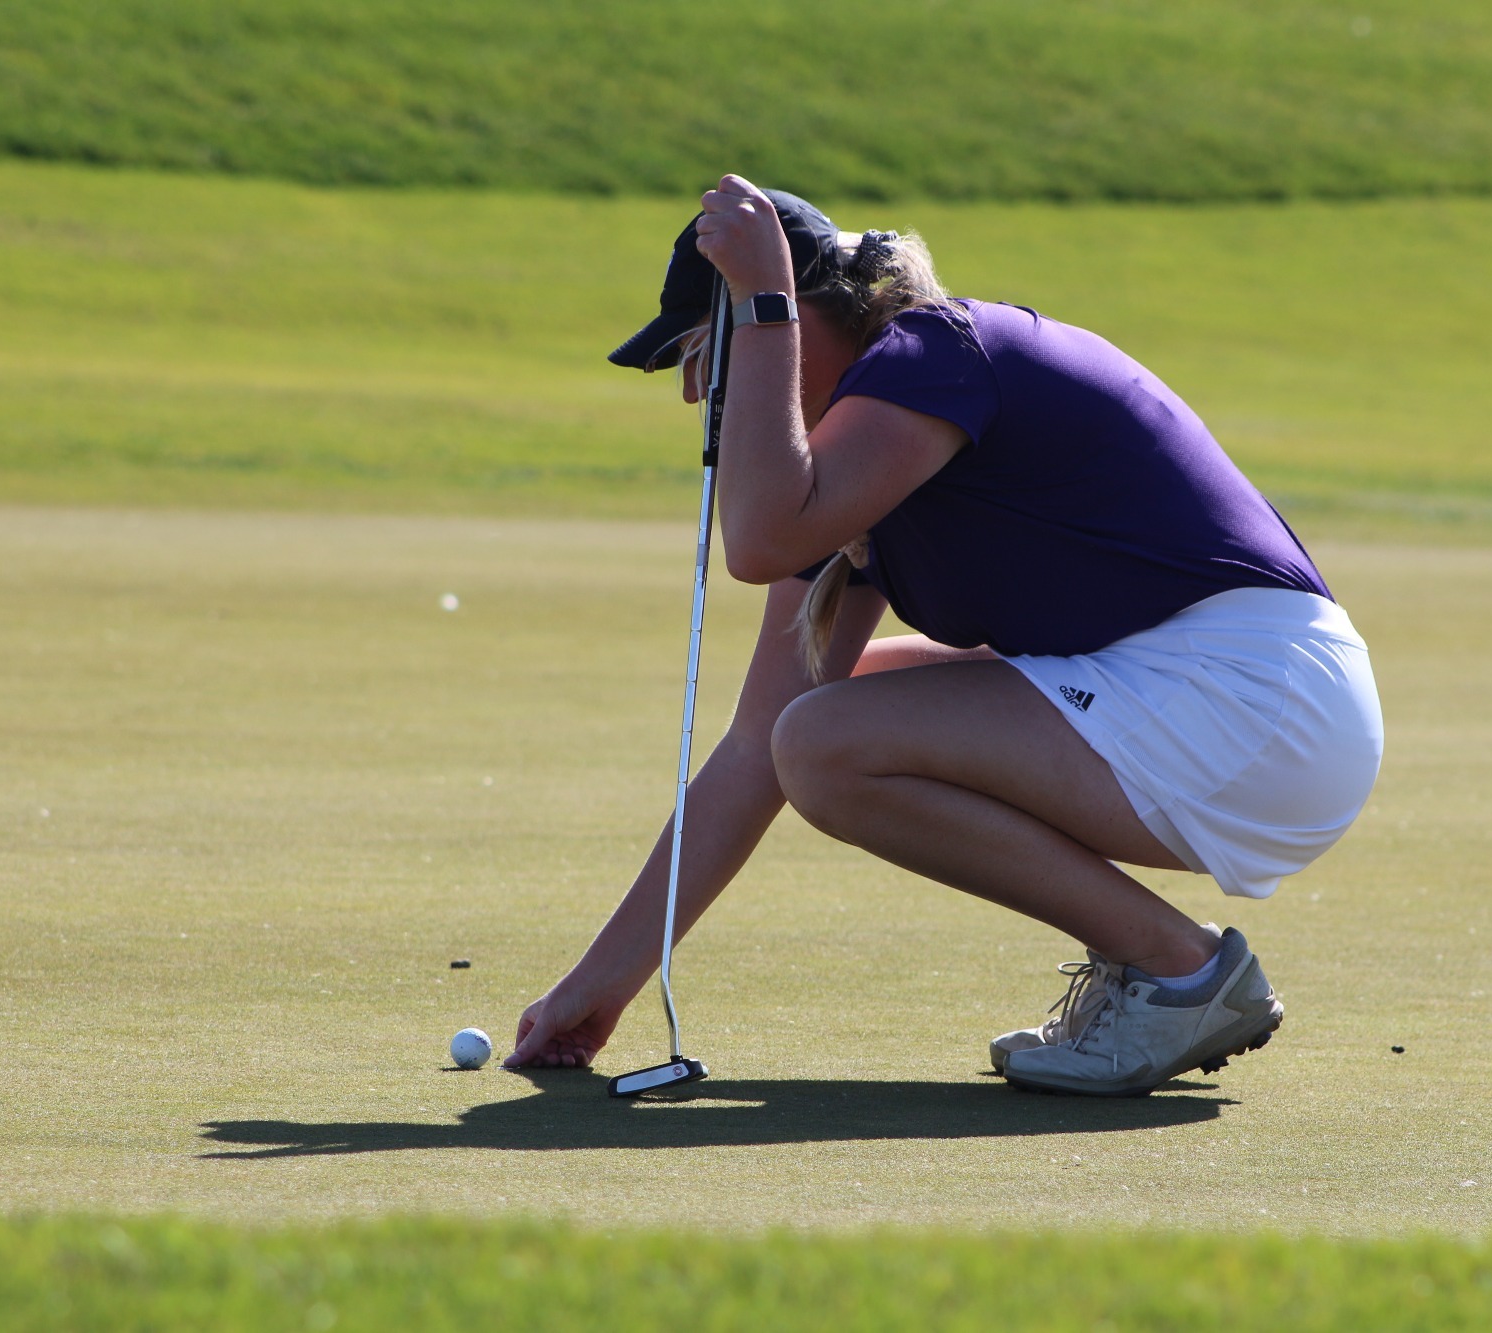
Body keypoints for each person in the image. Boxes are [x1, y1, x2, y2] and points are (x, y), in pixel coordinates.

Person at [503, 176, 1383, 1096]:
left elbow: (757, 541)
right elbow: (757, 744)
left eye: (705, 353)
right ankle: (1166, 968)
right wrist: (600, 987)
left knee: (826, 737)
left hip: (1259, 703)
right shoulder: (854, 471)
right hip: (1211, 700)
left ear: (795, 318)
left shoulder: (930, 355)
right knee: (814, 726)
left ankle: (1181, 972)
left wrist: (759, 306)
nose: (699, 394)